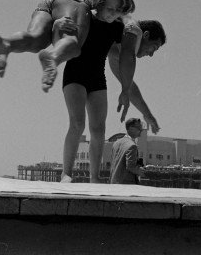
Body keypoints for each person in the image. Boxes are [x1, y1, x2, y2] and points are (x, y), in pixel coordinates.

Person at [61, 16, 166, 183]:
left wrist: (147, 114)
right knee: (78, 123)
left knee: (98, 129)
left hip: (97, 76)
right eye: (153, 47)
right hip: (75, 71)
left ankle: (94, 178)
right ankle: (66, 173)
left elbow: (129, 86)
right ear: (145, 35)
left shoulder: (119, 49)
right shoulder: (127, 31)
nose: (151, 54)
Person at [0, 0, 135, 92]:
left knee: (36, 40)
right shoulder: (89, 7)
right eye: (110, 9)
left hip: (48, 4)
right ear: (100, 3)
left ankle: (6, 44)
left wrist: (57, 23)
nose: (113, 14)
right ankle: (53, 58)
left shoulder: (114, 19)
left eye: (118, 11)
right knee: (73, 44)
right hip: (73, 1)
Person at [109, 118, 145, 184]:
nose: (140, 131)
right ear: (131, 128)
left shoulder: (116, 143)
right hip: (126, 185)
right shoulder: (132, 146)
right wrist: (141, 171)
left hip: (113, 182)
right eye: (139, 128)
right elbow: (130, 167)